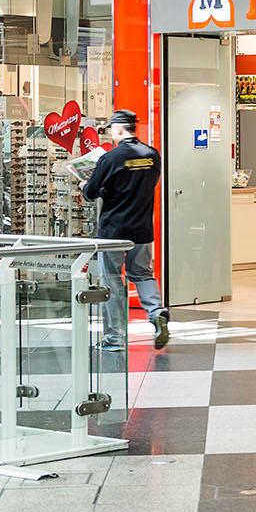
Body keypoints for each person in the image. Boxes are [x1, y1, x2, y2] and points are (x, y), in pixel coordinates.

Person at [81, 109, 169, 351]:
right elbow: (145, 185)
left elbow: (90, 193)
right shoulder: (152, 155)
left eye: (111, 129)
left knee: (112, 280)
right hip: (142, 229)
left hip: (114, 232)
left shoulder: (110, 158)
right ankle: (156, 312)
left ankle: (115, 338)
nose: (111, 133)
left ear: (119, 129)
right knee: (142, 275)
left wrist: (85, 184)